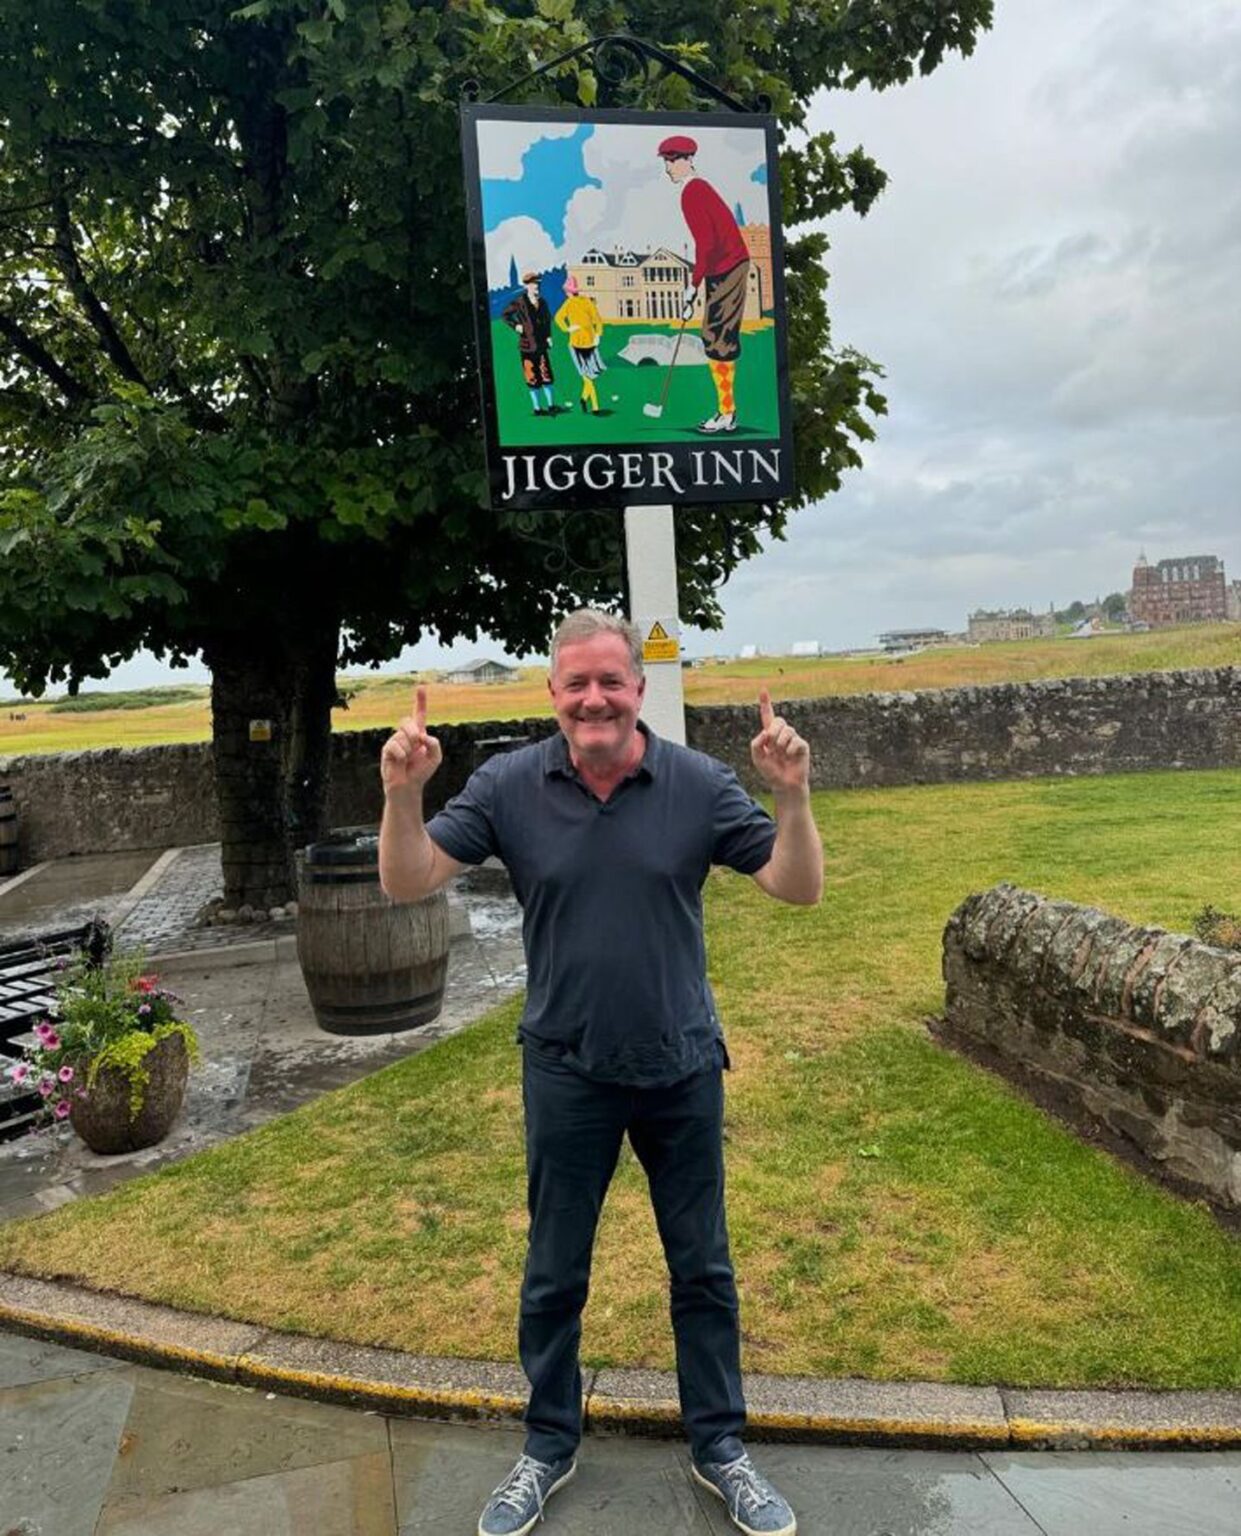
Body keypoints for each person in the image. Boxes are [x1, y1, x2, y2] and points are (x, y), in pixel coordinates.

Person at [378, 609, 823, 1536]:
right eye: (575, 683)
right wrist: (401, 797)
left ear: (638, 689)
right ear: (552, 694)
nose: (593, 699)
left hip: (680, 1065)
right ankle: (546, 1445)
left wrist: (792, 797)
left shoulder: (696, 783)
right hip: (566, 1069)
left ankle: (720, 1448)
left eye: (609, 682)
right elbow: (408, 880)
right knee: (552, 1272)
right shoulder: (508, 784)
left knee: (701, 1269)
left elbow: (795, 885)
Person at [658, 134, 751, 434]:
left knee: (717, 338)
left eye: (672, 161)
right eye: (666, 161)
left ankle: (727, 413)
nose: (668, 168)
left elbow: (706, 243)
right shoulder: (697, 189)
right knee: (714, 336)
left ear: (687, 161)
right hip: (722, 268)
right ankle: (727, 411)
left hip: (728, 267)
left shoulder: (693, 192)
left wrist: (692, 285)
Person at [502, 270, 556, 416]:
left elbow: (546, 321)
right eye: (533, 284)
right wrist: (516, 326)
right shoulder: (519, 302)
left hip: (541, 345)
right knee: (531, 376)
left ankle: (551, 406)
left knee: (546, 374)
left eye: (537, 284)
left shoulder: (542, 302)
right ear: (526, 286)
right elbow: (505, 314)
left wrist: (548, 337)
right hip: (527, 346)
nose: (536, 286)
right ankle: (537, 408)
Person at [553, 274, 606, 414]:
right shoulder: (581, 302)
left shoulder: (576, 303)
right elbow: (559, 318)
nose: (566, 294)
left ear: (569, 292)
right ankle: (595, 407)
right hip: (578, 344)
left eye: (567, 291)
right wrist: (568, 328)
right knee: (587, 377)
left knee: (589, 376)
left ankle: (583, 399)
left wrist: (567, 328)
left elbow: (597, 319)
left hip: (587, 344)